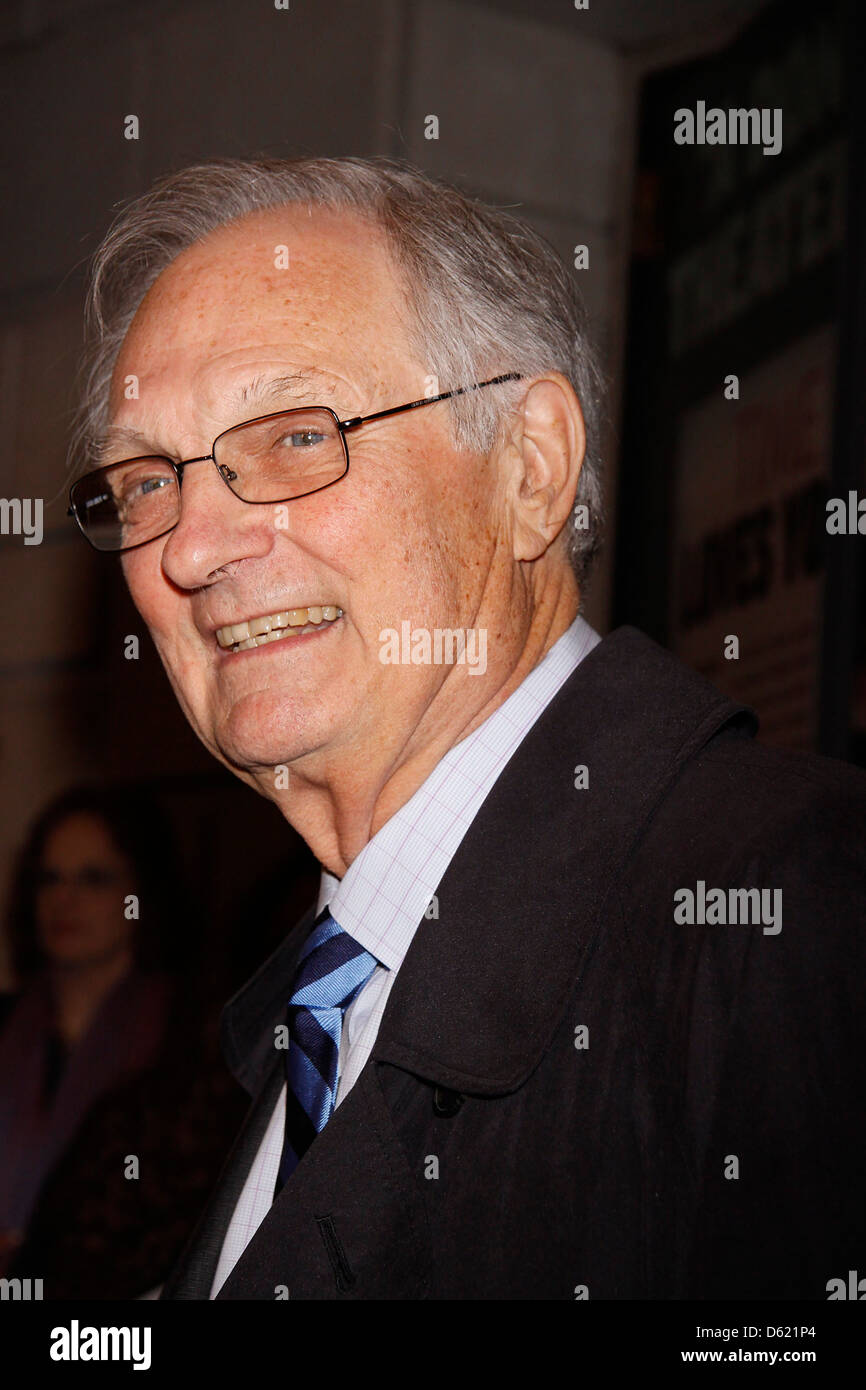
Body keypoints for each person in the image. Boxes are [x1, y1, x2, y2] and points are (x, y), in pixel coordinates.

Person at [65, 156, 865, 1300]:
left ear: (530, 467)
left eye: (294, 437)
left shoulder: (794, 906)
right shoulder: (319, 1007)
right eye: (145, 482)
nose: (189, 547)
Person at [0, 785, 176, 1269]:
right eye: (49, 879)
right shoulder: (9, 1023)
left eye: (94, 879)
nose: (65, 899)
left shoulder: (184, 1043)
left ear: (139, 894)